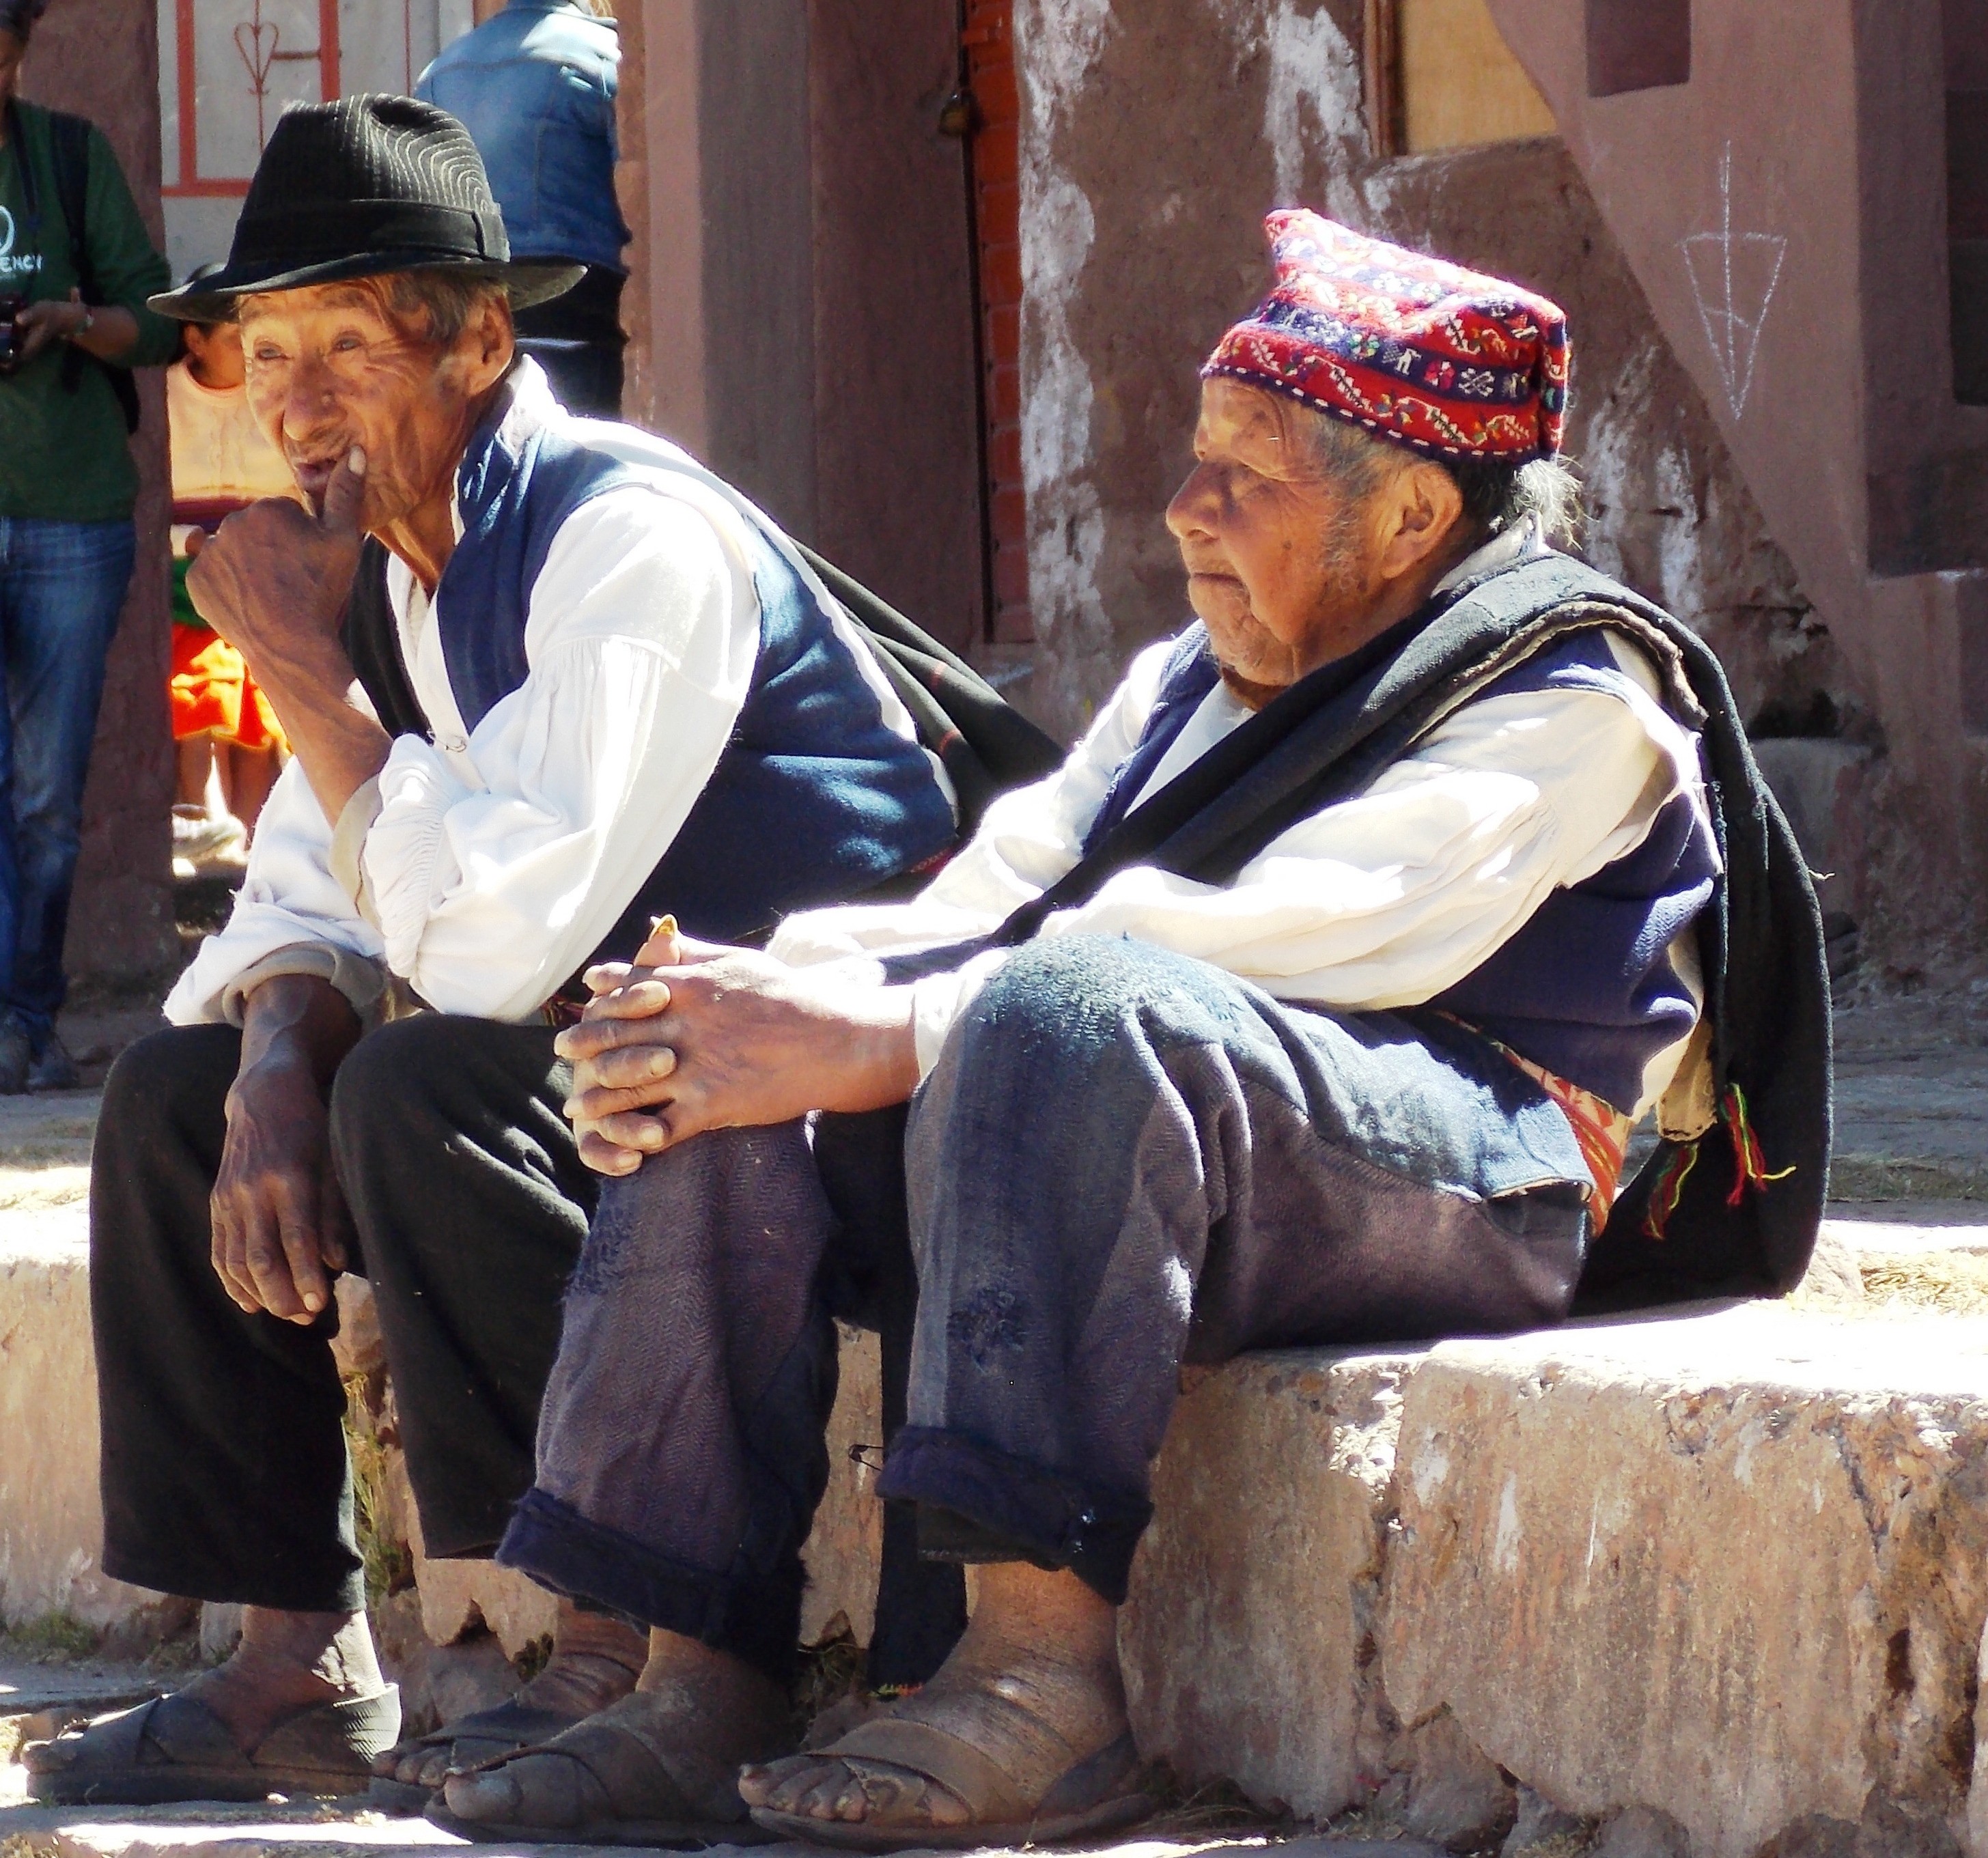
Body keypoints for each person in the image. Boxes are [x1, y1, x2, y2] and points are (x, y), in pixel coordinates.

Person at [421, 213, 1830, 1848]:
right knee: (739, 1070)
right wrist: (741, 1001)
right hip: (1152, 1125)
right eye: (1194, 460)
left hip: (1473, 1171)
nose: (1182, 510)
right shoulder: (1190, 678)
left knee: (1061, 1005)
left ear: (1410, 516)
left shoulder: (1568, 693)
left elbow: (1305, 930)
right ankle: (683, 1661)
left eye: (1247, 474)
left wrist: (885, 1034)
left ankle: (1034, 1676)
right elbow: (994, 885)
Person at [25, 94, 964, 1807]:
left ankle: (630, 1638)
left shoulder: (621, 536)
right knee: (185, 1093)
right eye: (265, 353)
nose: (296, 405)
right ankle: (286, 1660)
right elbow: (307, 883)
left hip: (820, 1101)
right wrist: (270, 1058)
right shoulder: (380, 564)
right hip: (607, 1060)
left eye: (346, 347)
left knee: (421, 1081)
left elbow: (493, 942)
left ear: (470, 338)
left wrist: (301, 681)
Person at [0, 0, 176, 1090]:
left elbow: (154, 319)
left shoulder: (67, 158)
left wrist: (67, 321)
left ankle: (28, 1018)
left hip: (71, 510)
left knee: (47, 798)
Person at [417, 0, 629, 414]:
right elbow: (642, 192)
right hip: (584, 318)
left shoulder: (440, 74)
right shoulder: (602, 56)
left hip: (475, 312)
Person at [166, 272, 296, 877]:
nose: (249, 355)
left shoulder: (284, 402)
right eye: (233, 338)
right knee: (202, 675)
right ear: (193, 340)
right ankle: (191, 816)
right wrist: (188, 541)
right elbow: (141, 507)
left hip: (266, 582)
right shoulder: (159, 400)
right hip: (176, 583)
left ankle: (260, 845)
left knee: (267, 700)